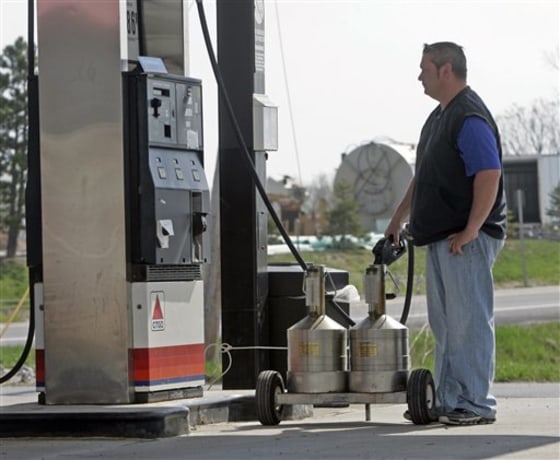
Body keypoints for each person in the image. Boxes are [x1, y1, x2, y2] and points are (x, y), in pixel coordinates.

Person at [385, 42, 507, 426]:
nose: (419, 76)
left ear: (446, 70)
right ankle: (450, 400)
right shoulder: (438, 118)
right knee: (447, 325)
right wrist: (398, 218)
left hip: (464, 239)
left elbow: (488, 173)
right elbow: (424, 176)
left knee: (468, 322)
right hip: (442, 237)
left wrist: (471, 229)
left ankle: (476, 404)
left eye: (424, 69)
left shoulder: (468, 116)